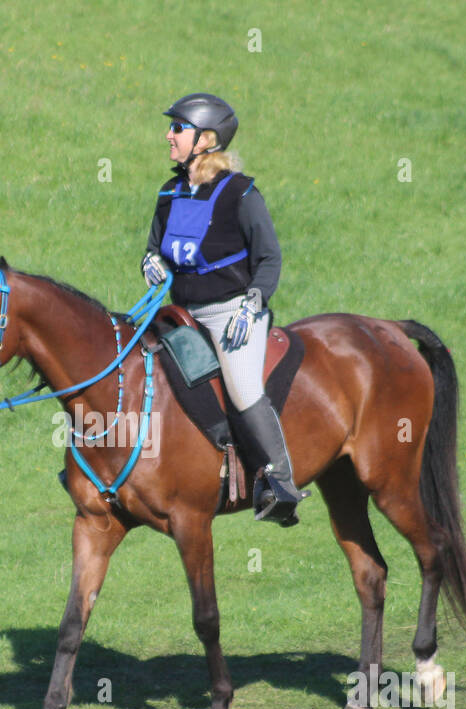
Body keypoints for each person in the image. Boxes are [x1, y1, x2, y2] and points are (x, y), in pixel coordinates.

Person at [141, 92, 307, 525]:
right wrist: (150, 263)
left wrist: (253, 303)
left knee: (242, 387)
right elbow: (155, 247)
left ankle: (280, 483)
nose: (169, 135)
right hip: (181, 315)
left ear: (207, 139)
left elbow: (269, 257)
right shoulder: (169, 192)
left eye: (178, 128)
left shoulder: (241, 192)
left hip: (232, 313)